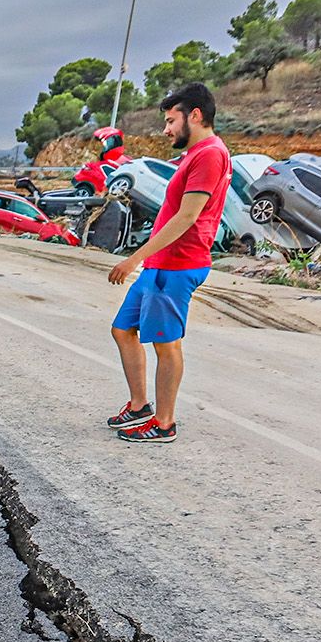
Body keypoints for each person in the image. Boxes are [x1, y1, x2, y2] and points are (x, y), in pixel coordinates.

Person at [105, 82, 231, 444]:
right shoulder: (196, 154)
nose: (166, 129)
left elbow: (187, 217)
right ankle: (141, 405)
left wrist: (133, 259)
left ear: (195, 115)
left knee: (166, 344)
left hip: (178, 264)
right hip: (161, 264)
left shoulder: (209, 154)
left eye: (171, 120)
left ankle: (164, 423)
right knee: (122, 329)